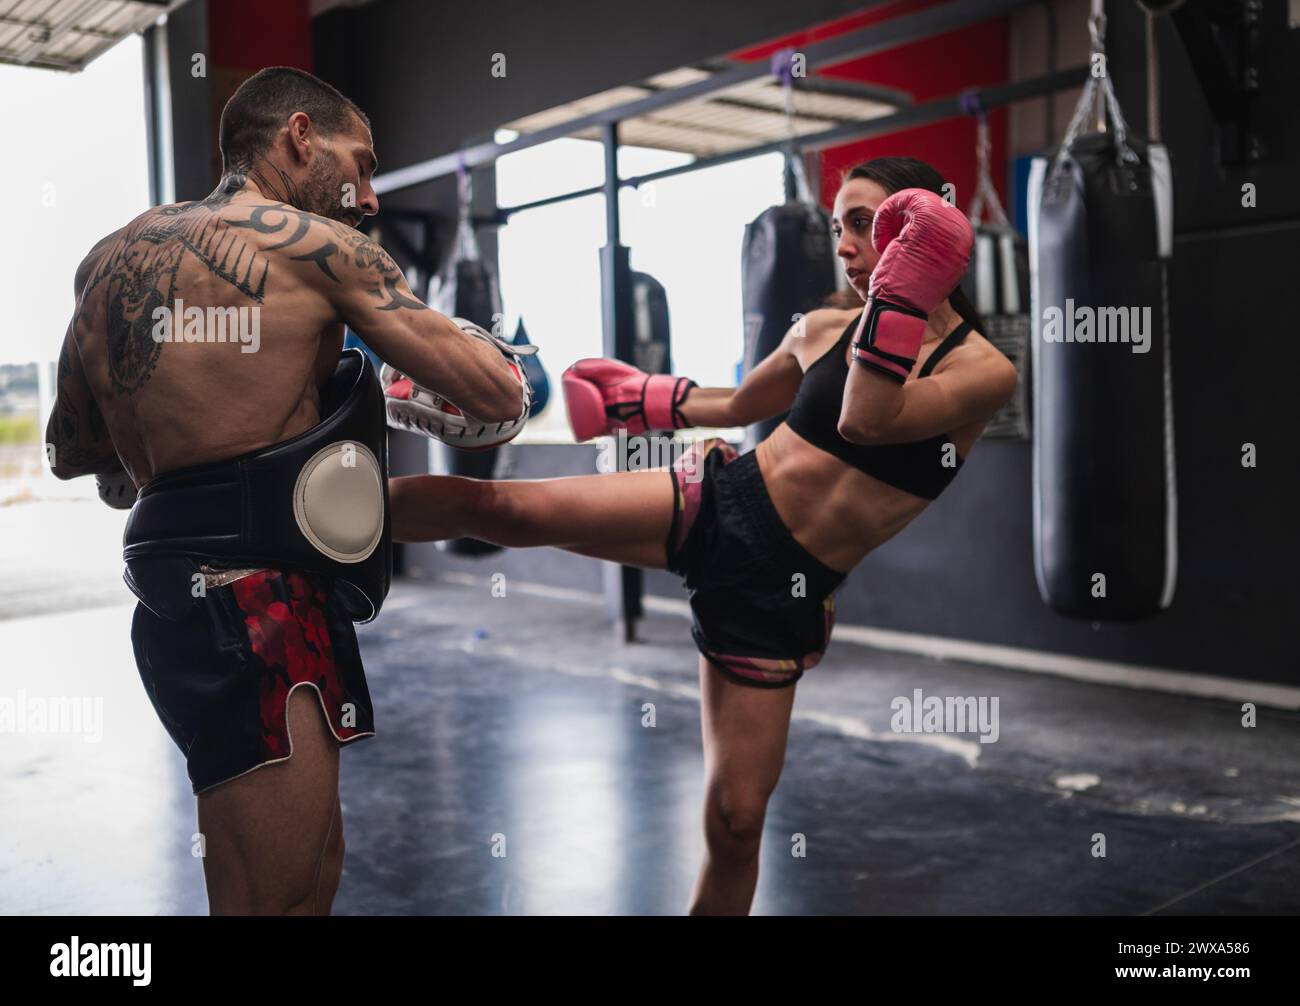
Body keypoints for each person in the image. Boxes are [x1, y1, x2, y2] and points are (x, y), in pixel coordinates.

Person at [388, 156, 1019, 915]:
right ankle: (307, 516)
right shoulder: (823, 327)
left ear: (921, 231)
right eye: (836, 227)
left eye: (864, 225)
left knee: (736, 820)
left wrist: (906, 287)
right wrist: (638, 398)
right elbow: (740, 404)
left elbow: (867, 417)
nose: (844, 247)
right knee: (507, 511)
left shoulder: (985, 372)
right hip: (720, 501)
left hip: (782, 588)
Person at [44, 66, 527, 915]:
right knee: (269, 899)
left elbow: (77, 454)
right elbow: (497, 397)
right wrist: (416, 393)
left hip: (176, 606)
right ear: (300, 136)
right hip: (257, 608)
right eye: (361, 162)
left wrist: (188, 428)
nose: (369, 196)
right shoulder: (324, 251)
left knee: (310, 876)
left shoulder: (104, 263)